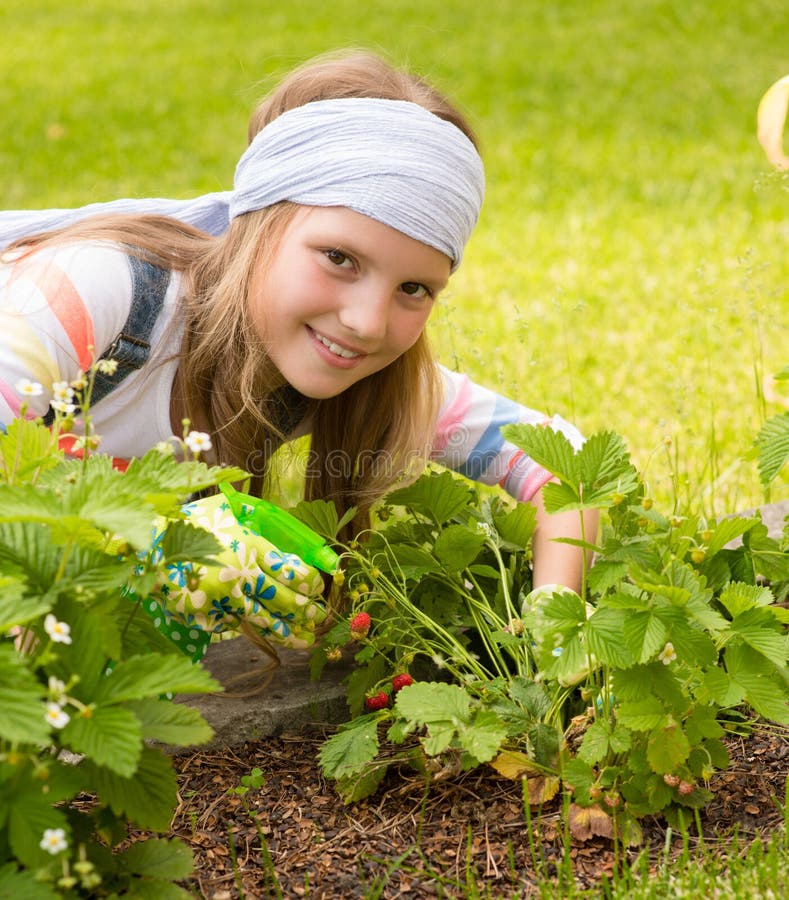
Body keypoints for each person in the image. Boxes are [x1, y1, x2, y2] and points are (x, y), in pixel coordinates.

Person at [0, 51, 596, 655]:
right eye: (339, 258)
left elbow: (568, 465)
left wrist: (553, 619)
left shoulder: (337, 367)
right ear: (259, 221)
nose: (367, 323)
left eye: (413, 289)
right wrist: (143, 536)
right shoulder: (98, 292)